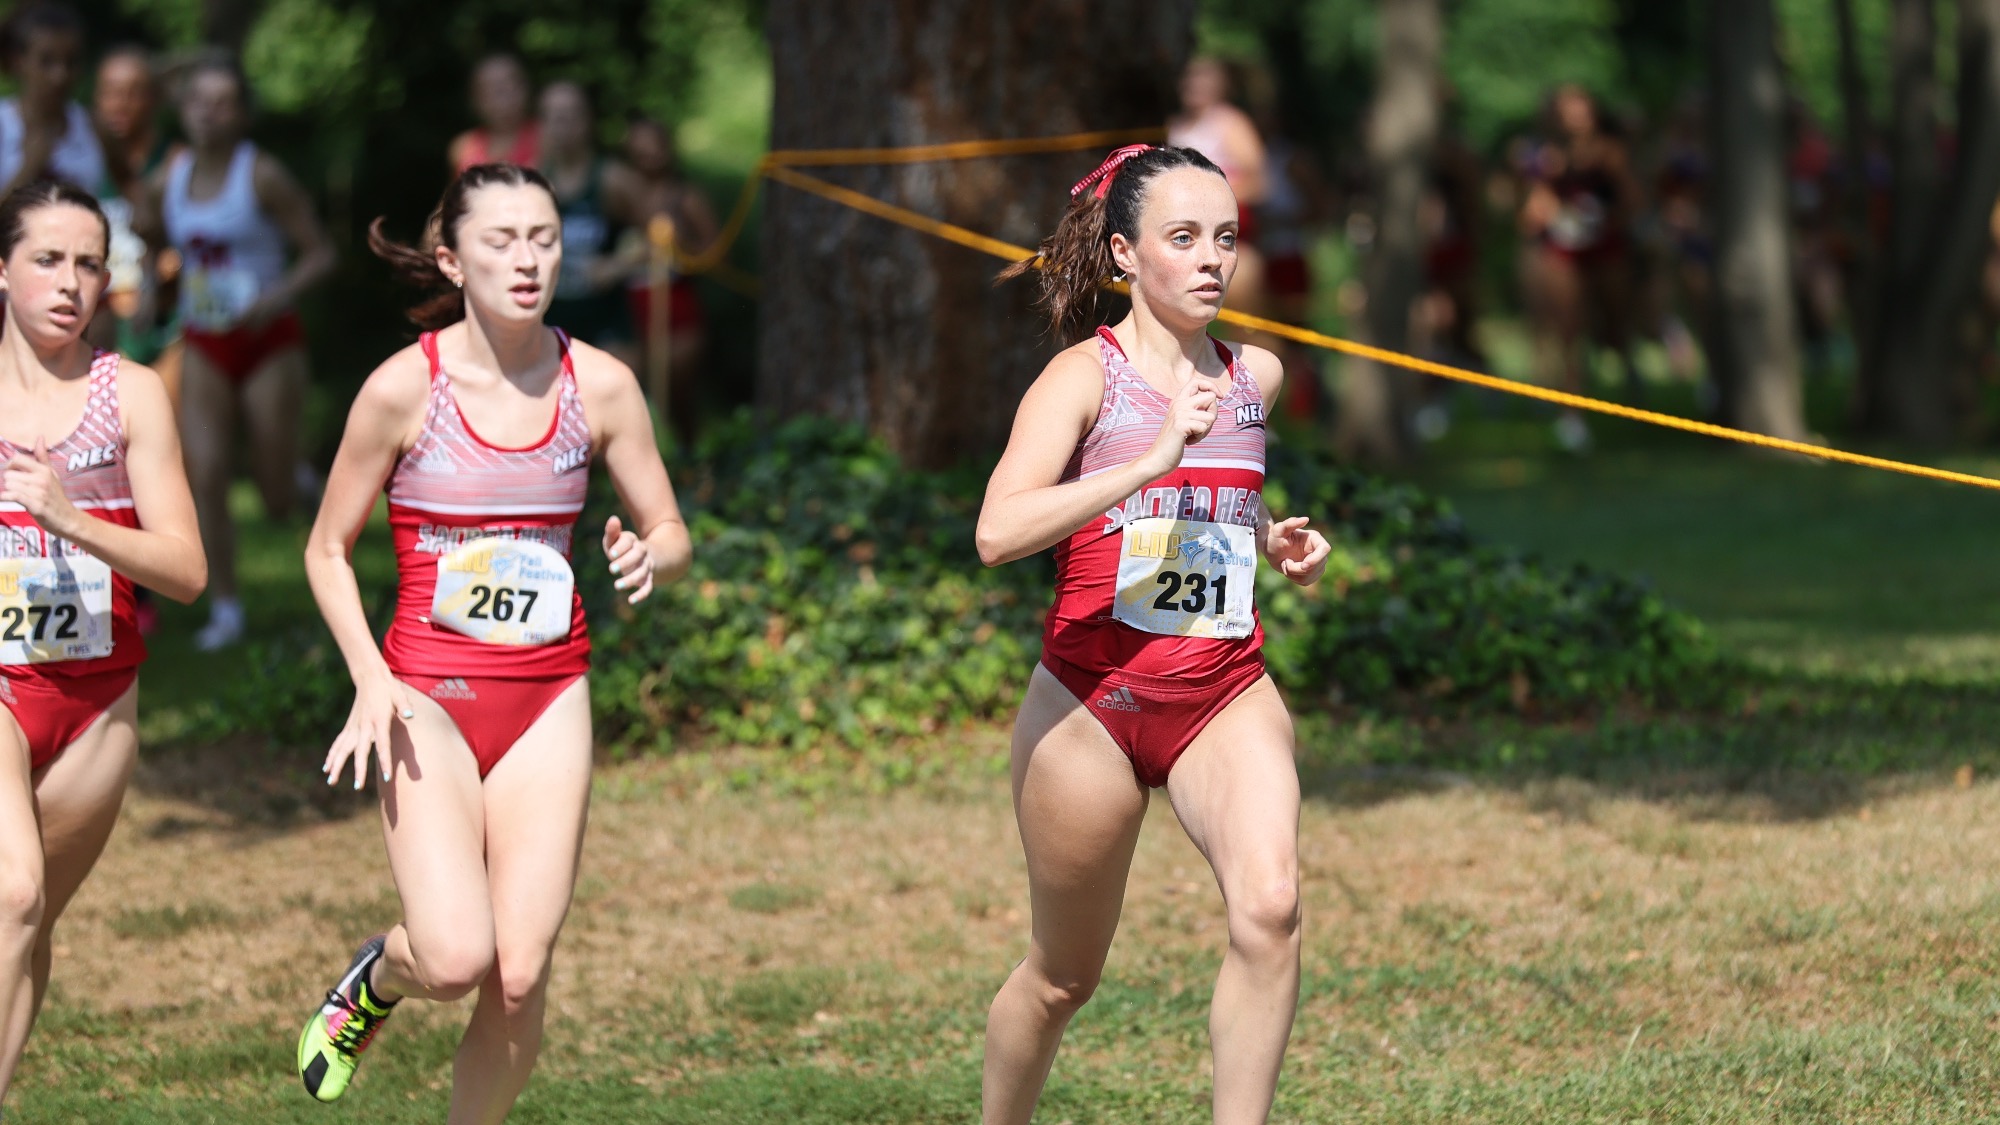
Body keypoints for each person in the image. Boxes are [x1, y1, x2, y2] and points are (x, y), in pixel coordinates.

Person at [294, 162, 690, 1118]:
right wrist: (369, 678)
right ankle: (378, 977)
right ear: (451, 259)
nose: (527, 260)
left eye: (544, 239)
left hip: (547, 696)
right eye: (502, 240)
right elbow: (325, 548)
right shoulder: (403, 389)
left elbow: (671, 529)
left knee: (518, 974)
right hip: (424, 693)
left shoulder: (602, 384)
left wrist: (653, 556)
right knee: (453, 956)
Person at [980, 144, 1331, 1125]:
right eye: (1183, 238)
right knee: (1062, 976)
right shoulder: (1081, 379)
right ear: (1125, 254)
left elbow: (1216, 501)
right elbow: (997, 532)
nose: (1212, 258)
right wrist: (1144, 461)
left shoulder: (1254, 373)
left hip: (1222, 689)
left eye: (1225, 237)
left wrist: (1269, 535)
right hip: (1088, 708)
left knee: (1270, 908)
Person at [0, 178, 206, 1108]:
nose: (70, 282)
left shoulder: (133, 394)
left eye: (89, 263)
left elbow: (186, 569)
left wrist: (71, 519)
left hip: (98, 703)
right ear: (1, 269)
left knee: (29, 925)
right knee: (12, 894)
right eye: (46, 259)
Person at [147, 58, 336, 651]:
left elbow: (321, 253)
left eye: (223, 101)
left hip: (267, 338)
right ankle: (226, 608)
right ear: (183, 110)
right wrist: (154, 288)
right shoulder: (171, 177)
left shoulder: (263, 175)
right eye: (198, 101)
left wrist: (273, 297)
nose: (209, 112)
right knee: (204, 473)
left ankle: (302, 487)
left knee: (274, 497)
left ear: (242, 115)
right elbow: (152, 237)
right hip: (204, 338)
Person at [1517, 85, 1642, 451]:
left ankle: (1627, 372)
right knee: (1569, 331)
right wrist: (1548, 200)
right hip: (1563, 251)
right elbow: (1530, 215)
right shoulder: (1544, 157)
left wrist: (1604, 218)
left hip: (1607, 248)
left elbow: (1633, 201)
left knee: (1615, 321)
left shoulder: (1611, 152)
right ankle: (1572, 415)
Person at [537, 82, 647, 370]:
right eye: (553, 116)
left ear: (588, 120)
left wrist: (617, 265)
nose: (562, 125)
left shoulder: (614, 179)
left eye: (570, 115)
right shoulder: (532, 180)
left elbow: (658, 236)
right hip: (547, 318)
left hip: (606, 317)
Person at [622, 115, 716, 445]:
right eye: (639, 146)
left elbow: (715, 253)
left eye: (654, 145)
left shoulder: (685, 197)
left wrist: (681, 246)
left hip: (675, 300)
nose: (647, 153)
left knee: (679, 389)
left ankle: (687, 453)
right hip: (629, 306)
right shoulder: (620, 193)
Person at [0, 3, 103, 197]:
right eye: (46, 62)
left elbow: (132, 184)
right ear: (18, 61)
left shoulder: (93, 126)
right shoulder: (4, 126)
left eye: (71, 62)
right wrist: (28, 168)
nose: (60, 75)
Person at [448, 53, 538, 177]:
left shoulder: (547, 137)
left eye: (510, 85)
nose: (503, 95)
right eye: (491, 88)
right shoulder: (463, 147)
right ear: (475, 99)